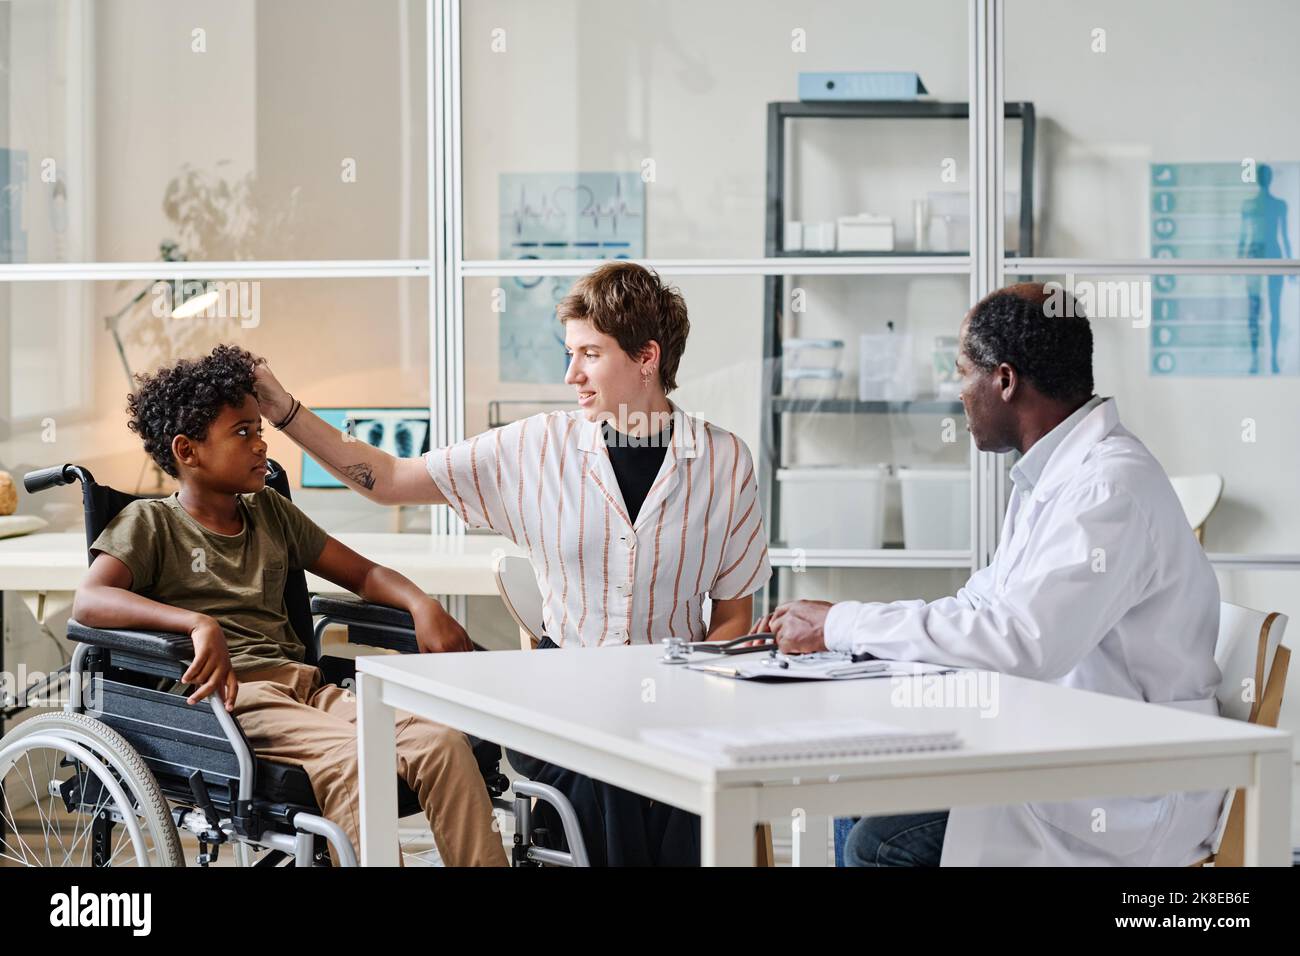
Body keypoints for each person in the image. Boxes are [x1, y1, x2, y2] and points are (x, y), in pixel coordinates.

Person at [253, 261, 772, 865]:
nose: (570, 373)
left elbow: (735, 614)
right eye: (570, 351)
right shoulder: (535, 448)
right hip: (564, 699)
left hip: (679, 698)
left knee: (701, 788)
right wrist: (284, 411)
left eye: (589, 354)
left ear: (647, 356)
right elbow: (389, 479)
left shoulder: (723, 462)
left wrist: (696, 693)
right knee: (614, 779)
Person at [758, 283, 1224, 867]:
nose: (957, 394)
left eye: (961, 373)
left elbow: (1023, 642)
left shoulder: (1108, 488)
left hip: (1127, 785)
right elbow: (982, 605)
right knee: (862, 785)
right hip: (1068, 744)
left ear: (1004, 381)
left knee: (877, 843)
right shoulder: (1052, 475)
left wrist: (844, 625)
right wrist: (848, 630)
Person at [73, 345, 507, 866]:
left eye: (260, 430)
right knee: (354, 759)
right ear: (187, 451)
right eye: (243, 433)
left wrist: (420, 604)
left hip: (306, 688)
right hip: (231, 701)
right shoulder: (151, 523)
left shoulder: (270, 511)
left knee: (440, 744)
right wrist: (195, 623)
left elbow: (364, 573)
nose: (261, 446)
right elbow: (90, 601)